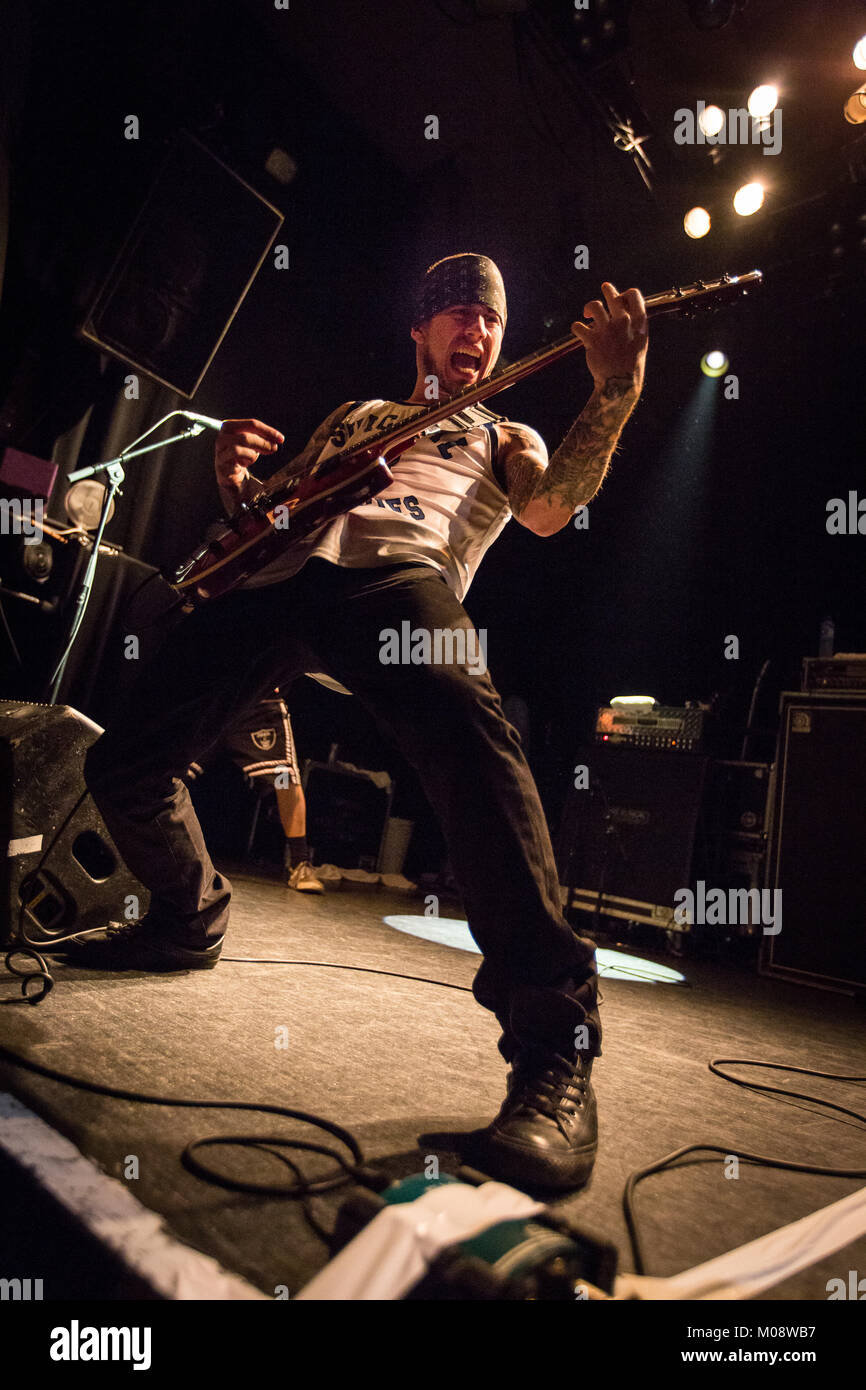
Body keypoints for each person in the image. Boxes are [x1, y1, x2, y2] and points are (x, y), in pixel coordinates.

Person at [78, 254, 648, 1190]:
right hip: (279, 580)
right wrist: (235, 479)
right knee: (127, 761)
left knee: (474, 737)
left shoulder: (506, 429)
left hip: (400, 577)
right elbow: (272, 511)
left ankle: (556, 1045)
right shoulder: (358, 416)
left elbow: (550, 509)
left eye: (492, 319)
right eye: (458, 313)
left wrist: (616, 386)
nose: (478, 330)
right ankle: (188, 916)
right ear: (417, 331)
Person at [185, 689, 324, 893]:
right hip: (210, 697)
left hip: (258, 700)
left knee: (284, 778)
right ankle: (138, 845)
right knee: (169, 774)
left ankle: (299, 861)